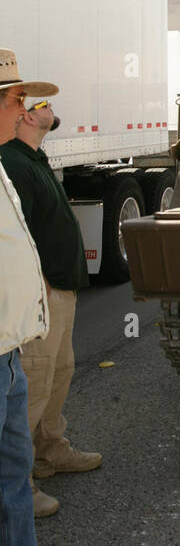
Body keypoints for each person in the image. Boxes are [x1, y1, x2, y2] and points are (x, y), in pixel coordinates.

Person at [0, 49, 83, 546]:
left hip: (21, 325)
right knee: (7, 468)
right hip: (13, 331)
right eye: (16, 99)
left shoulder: (16, 160)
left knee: (57, 377)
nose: (25, 107)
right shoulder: (7, 160)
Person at [0, 96, 100, 520]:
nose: (47, 106)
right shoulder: (13, 163)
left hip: (61, 287)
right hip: (42, 292)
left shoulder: (33, 157)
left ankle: (51, 451)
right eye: (38, 102)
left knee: (59, 372)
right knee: (35, 383)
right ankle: (22, 482)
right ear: (24, 116)